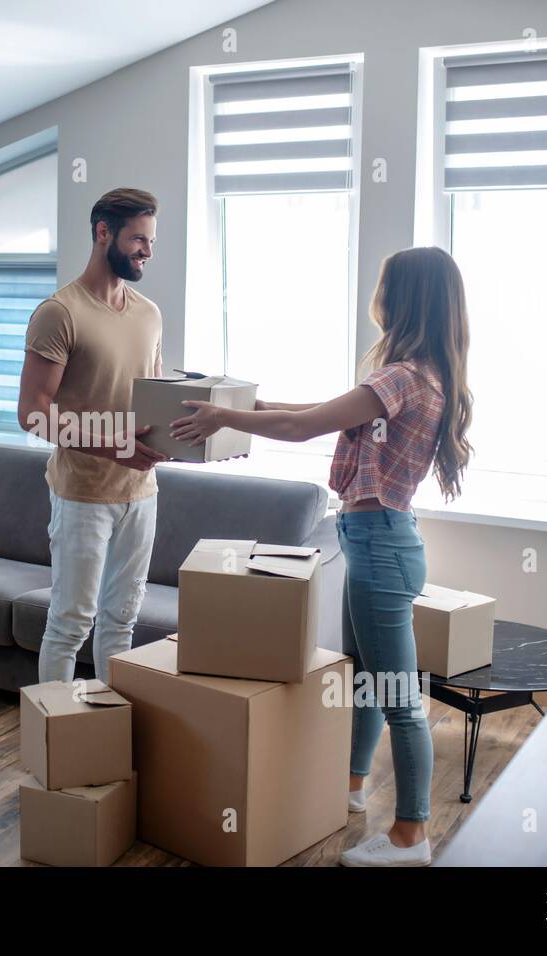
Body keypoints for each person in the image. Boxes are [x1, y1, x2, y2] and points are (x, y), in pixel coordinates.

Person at [170, 246, 474, 867]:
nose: (377, 292)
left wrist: (224, 416)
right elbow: (313, 413)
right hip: (381, 539)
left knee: (397, 695)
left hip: (381, 546)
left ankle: (411, 838)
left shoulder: (402, 378)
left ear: (405, 296)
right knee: (366, 677)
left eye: (385, 282)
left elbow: (306, 428)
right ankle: (352, 788)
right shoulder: (421, 374)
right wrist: (242, 406)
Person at [17, 187, 168, 685]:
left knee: (122, 621)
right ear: (103, 233)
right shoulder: (59, 314)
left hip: (141, 495)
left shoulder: (149, 314)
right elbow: (33, 414)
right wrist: (114, 447)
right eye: (138, 239)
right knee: (70, 624)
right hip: (82, 494)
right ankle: (59, 740)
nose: (147, 250)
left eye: (151, 240)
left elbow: (153, 401)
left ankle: (106, 732)